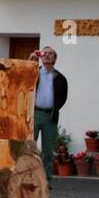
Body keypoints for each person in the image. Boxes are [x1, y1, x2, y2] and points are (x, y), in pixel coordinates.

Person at [29, 46, 68, 182]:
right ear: (40, 56)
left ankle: (46, 179)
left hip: (50, 116)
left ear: (55, 59)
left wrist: (53, 108)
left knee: (47, 149)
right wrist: (31, 61)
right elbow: (22, 78)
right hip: (34, 113)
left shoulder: (60, 78)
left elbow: (62, 98)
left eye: (50, 54)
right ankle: (28, 177)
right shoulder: (33, 72)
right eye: (44, 53)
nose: (47, 55)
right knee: (29, 146)